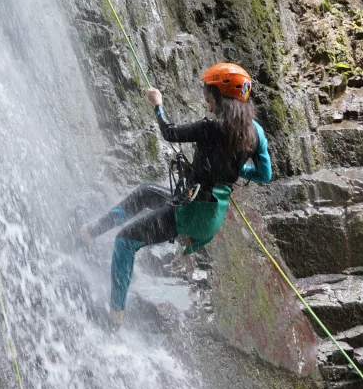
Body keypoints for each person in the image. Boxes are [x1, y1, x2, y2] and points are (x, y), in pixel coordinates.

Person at [79, 63, 272, 325]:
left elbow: (169, 133)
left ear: (218, 96)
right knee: (145, 193)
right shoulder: (256, 132)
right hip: (209, 211)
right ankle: (91, 232)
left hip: (191, 211)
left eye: (208, 96)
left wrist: (157, 104)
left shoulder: (210, 127)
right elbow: (264, 174)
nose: (206, 102)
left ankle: (115, 315)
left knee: (125, 241)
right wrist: (233, 171)